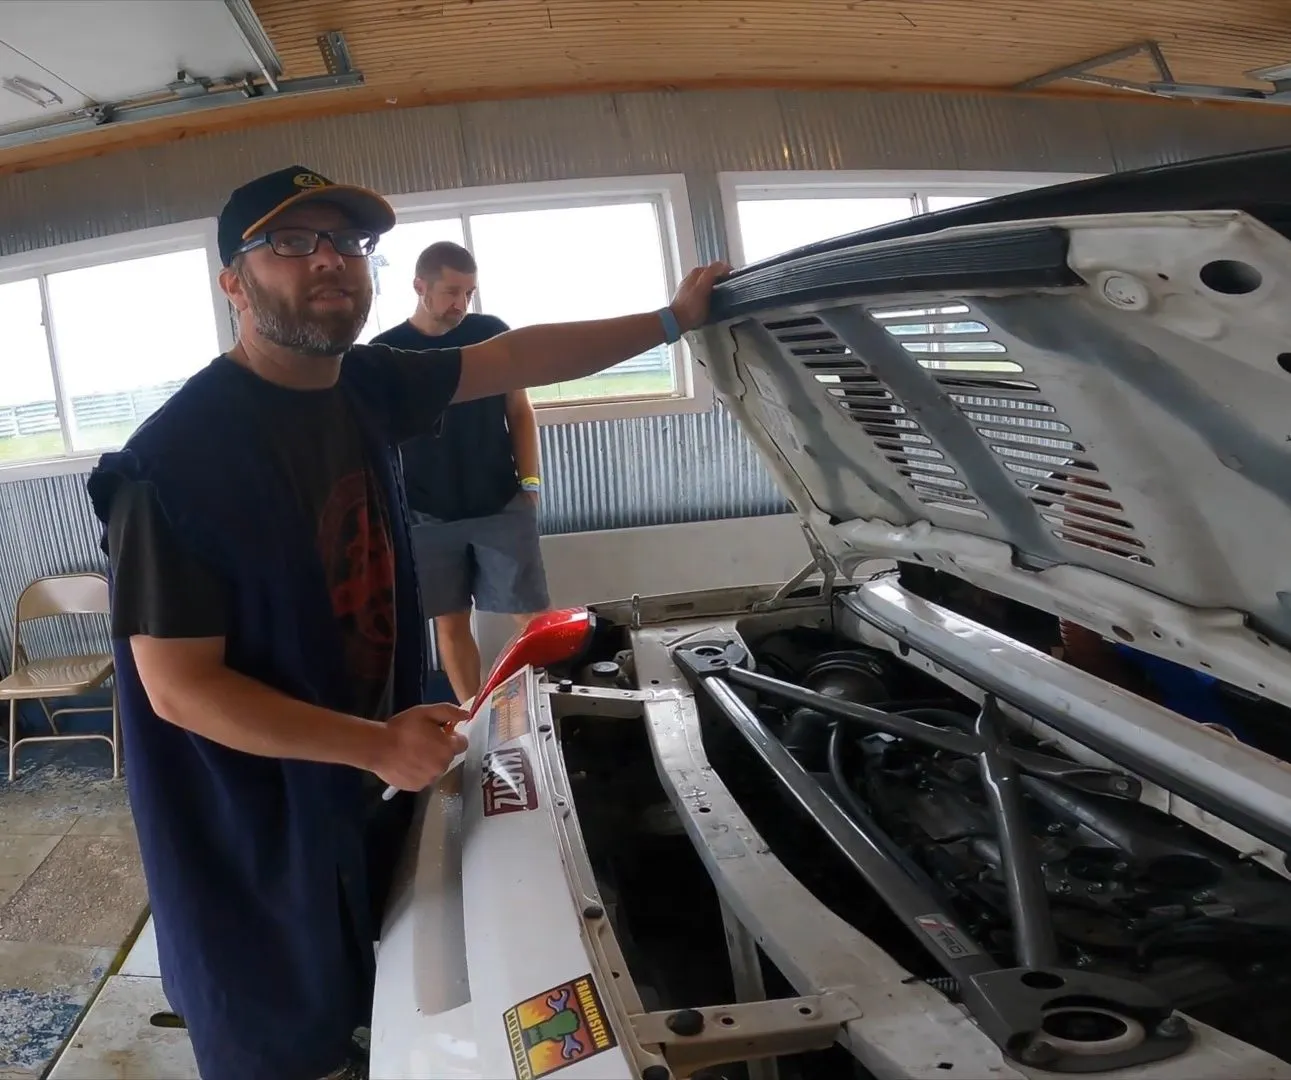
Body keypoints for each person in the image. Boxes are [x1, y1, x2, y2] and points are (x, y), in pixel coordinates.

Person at [84, 163, 727, 1080]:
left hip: (358, 782)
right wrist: (373, 745)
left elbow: (516, 358)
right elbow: (179, 690)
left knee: (383, 1008)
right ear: (233, 280)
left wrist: (672, 322)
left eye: (348, 242)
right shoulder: (172, 464)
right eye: (292, 242)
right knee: (285, 1038)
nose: (330, 261)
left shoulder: (362, 387)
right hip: (255, 831)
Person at [370, 241, 546, 703]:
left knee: (531, 620)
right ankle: (474, 718)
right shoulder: (386, 351)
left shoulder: (491, 334)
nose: (461, 304)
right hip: (425, 513)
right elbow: (376, 439)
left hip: (500, 503)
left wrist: (530, 483)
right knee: (450, 622)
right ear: (419, 287)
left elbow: (520, 410)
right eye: (451, 291)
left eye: (469, 292)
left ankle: (541, 711)